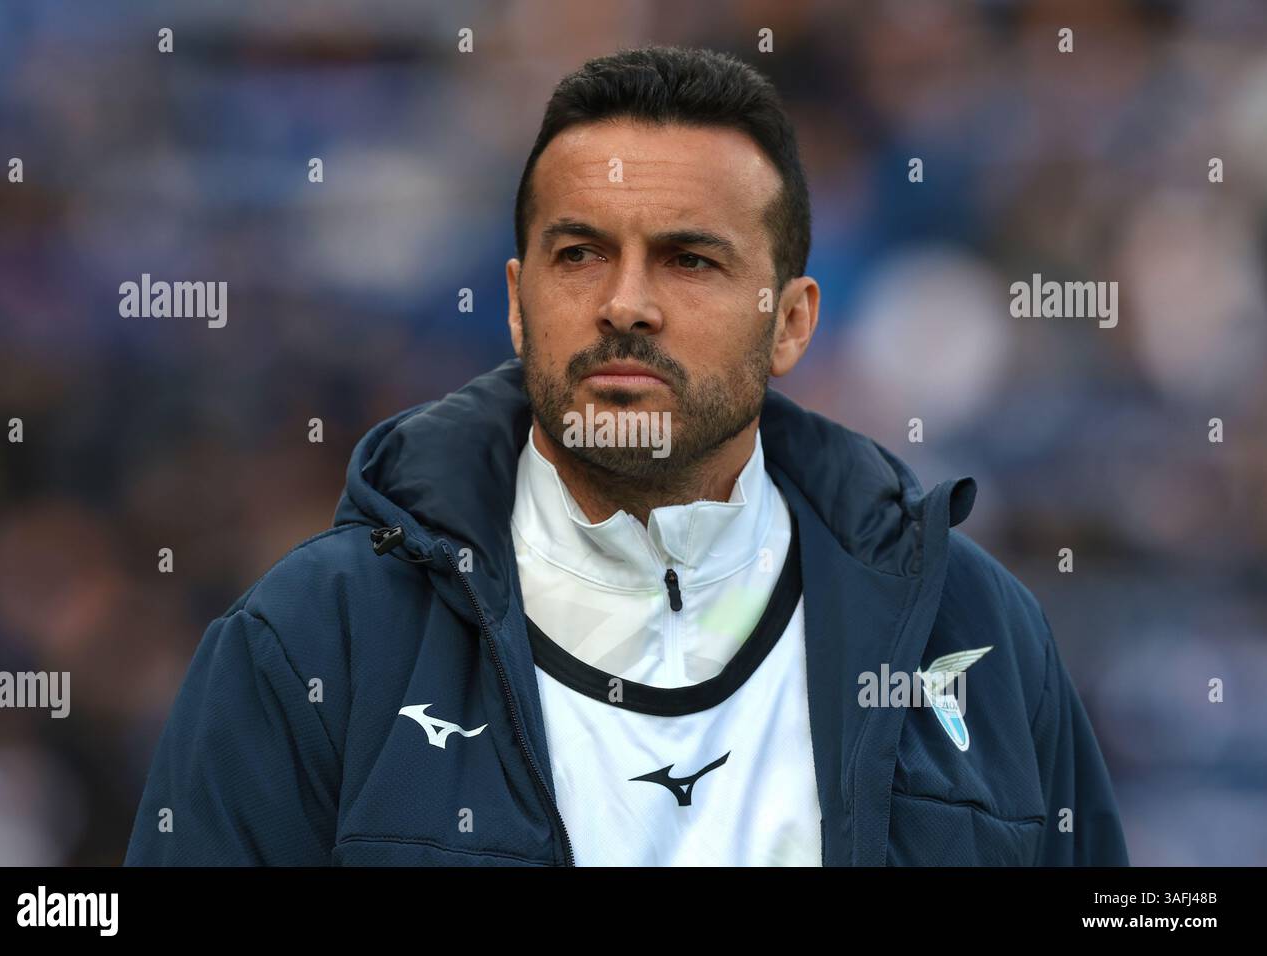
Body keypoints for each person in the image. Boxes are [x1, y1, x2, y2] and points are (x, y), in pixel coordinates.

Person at [124, 45, 1128, 866]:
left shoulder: (978, 630)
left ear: (789, 322)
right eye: (580, 253)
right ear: (517, 305)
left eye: (689, 258)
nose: (624, 302)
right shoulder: (312, 639)